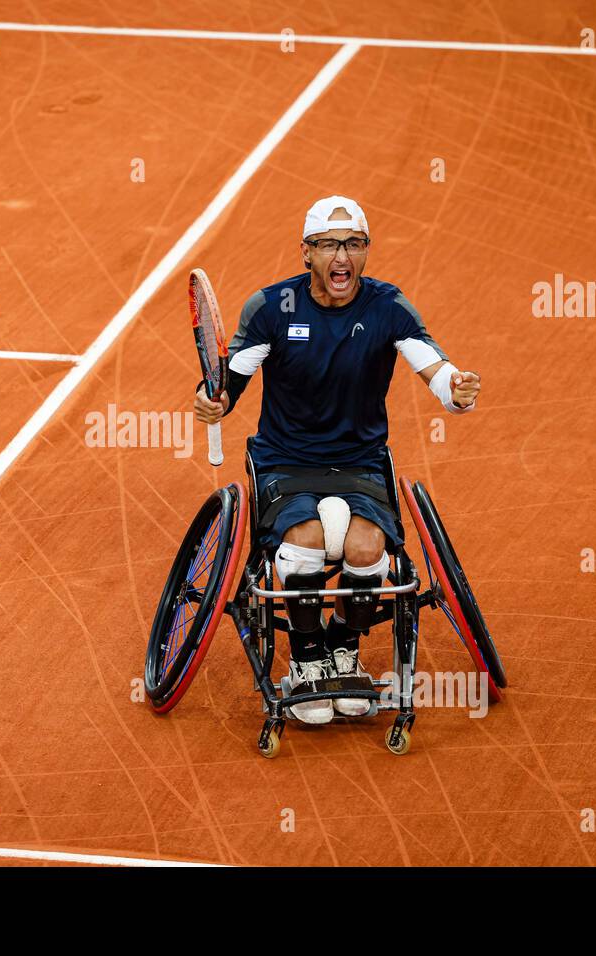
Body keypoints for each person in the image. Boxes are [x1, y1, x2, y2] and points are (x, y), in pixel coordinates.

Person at [193, 195, 481, 724]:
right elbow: (230, 381)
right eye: (328, 245)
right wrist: (213, 398)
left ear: (365, 250)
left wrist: (454, 389)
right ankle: (306, 658)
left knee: (368, 549)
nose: (341, 256)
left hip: (360, 462)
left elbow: (432, 364)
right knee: (303, 542)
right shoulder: (270, 308)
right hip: (285, 459)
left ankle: (341, 645)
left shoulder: (388, 307)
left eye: (353, 244)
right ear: (306, 253)